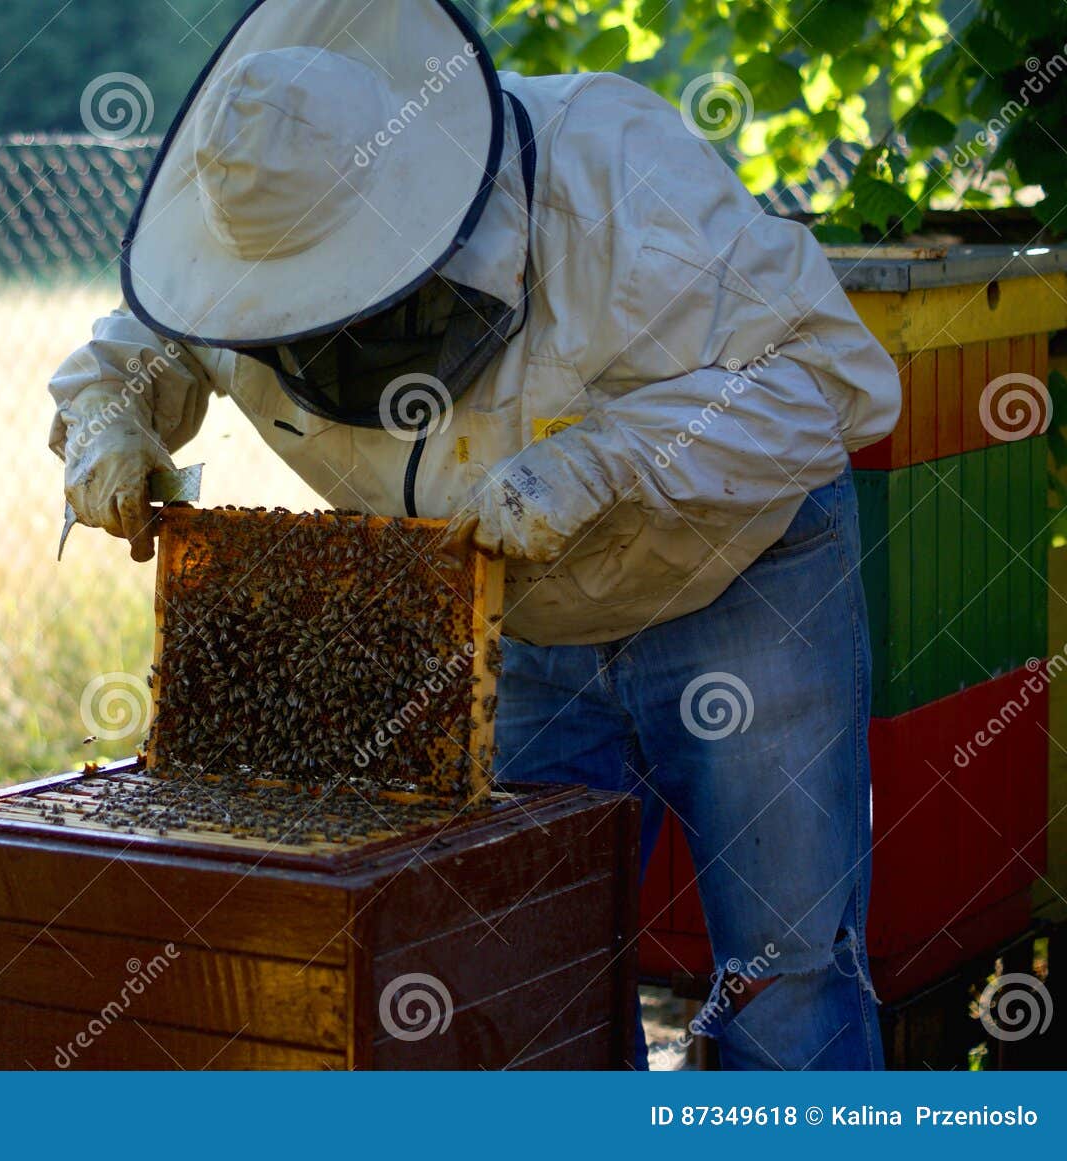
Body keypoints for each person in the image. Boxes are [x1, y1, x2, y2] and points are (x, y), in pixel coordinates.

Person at [48, 0, 900, 1070]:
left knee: (783, 978)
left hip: (736, 583)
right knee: (526, 978)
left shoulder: (613, 175)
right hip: (513, 623)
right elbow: (145, 350)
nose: (324, 329)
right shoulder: (254, 243)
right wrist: (108, 421)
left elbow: (826, 384)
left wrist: (604, 459)